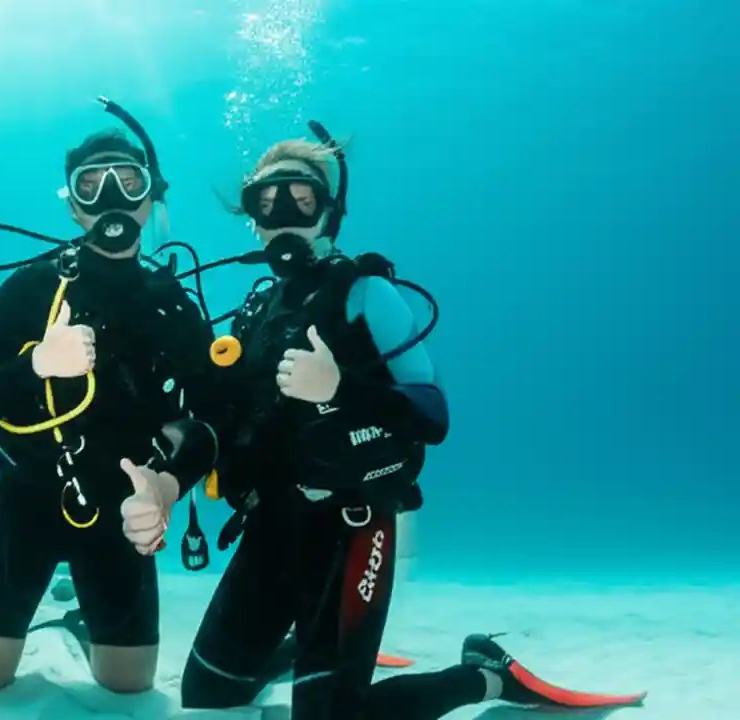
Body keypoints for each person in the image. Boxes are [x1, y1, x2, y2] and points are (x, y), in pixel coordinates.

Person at [165, 128, 647, 719]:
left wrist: (338, 391)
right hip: (272, 526)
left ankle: (483, 677)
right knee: (207, 695)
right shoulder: (257, 312)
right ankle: (306, 656)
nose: (283, 216)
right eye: (266, 204)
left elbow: (432, 415)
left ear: (331, 210)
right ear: (253, 221)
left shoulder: (366, 293)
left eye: (301, 198)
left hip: (350, 526)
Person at [0, 101, 220, 696]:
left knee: (128, 685)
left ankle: (78, 622)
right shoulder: (32, 286)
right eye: (91, 186)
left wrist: (167, 487)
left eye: (129, 181)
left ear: (151, 199)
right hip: (28, 499)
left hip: (125, 514)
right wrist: (36, 363)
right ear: (72, 205)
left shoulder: (175, 307)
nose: (113, 197)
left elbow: (206, 425)